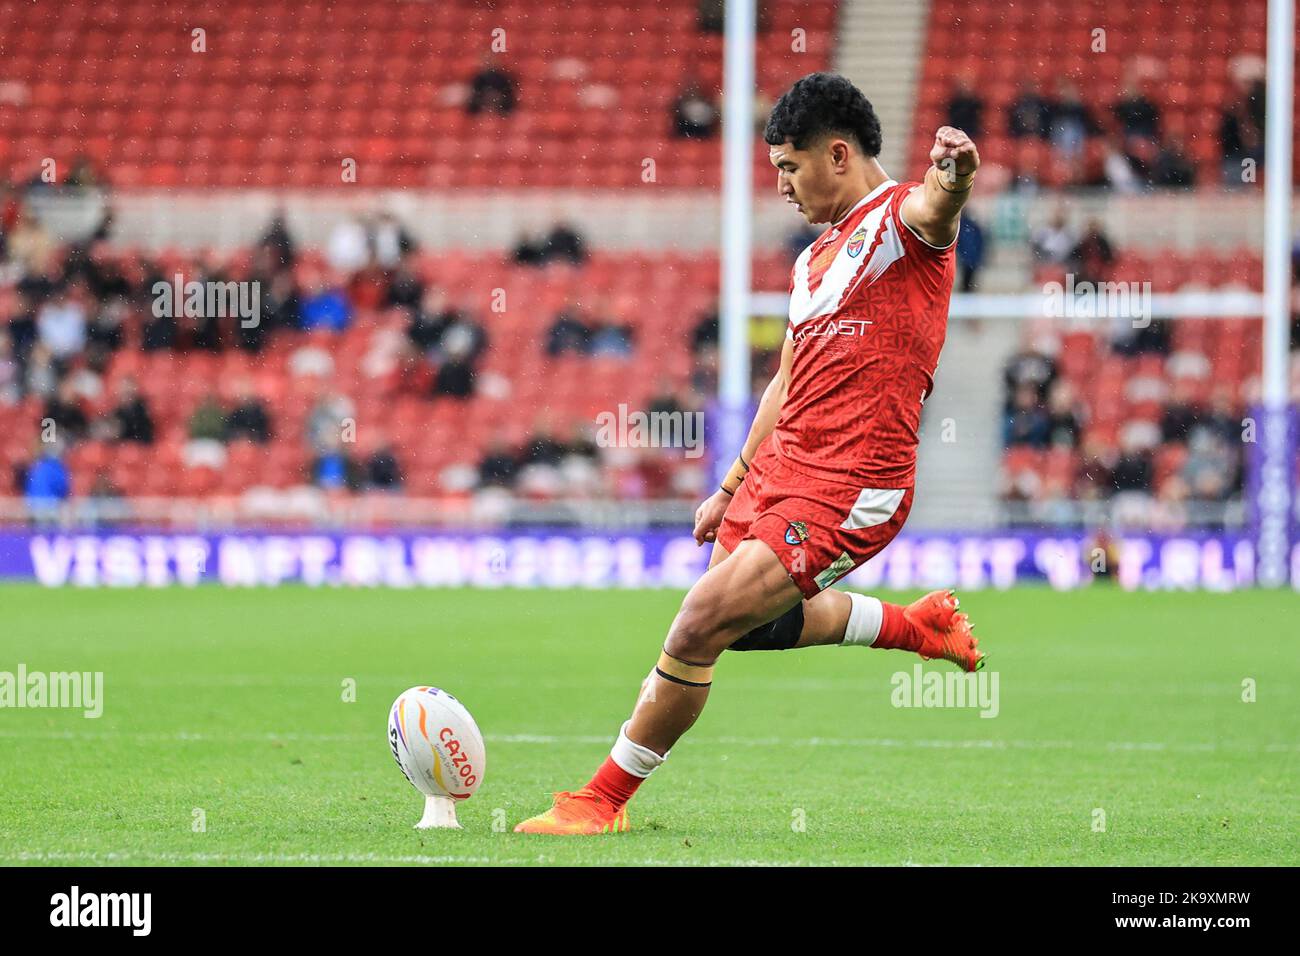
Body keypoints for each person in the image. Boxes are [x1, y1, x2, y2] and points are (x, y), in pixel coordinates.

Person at [515, 72, 984, 836]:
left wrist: (955, 174)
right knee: (750, 625)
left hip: (852, 483)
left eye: (789, 169)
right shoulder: (811, 263)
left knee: (697, 623)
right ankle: (915, 627)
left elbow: (942, 204)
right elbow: (786, 383)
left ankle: (600, 803)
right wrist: (732, 484)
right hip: (780, 471)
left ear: (838, 155)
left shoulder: (903, 222)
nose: (782, 188)